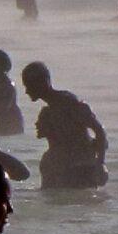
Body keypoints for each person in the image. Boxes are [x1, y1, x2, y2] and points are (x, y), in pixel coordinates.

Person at [19, 61, 107, 190]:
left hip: (80, 168)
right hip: (65, 167)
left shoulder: (68, 102)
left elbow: (99, 131)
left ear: (44, 82)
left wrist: (101, 164)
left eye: (29, 85)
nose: (26, 91)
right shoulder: (48, 111)